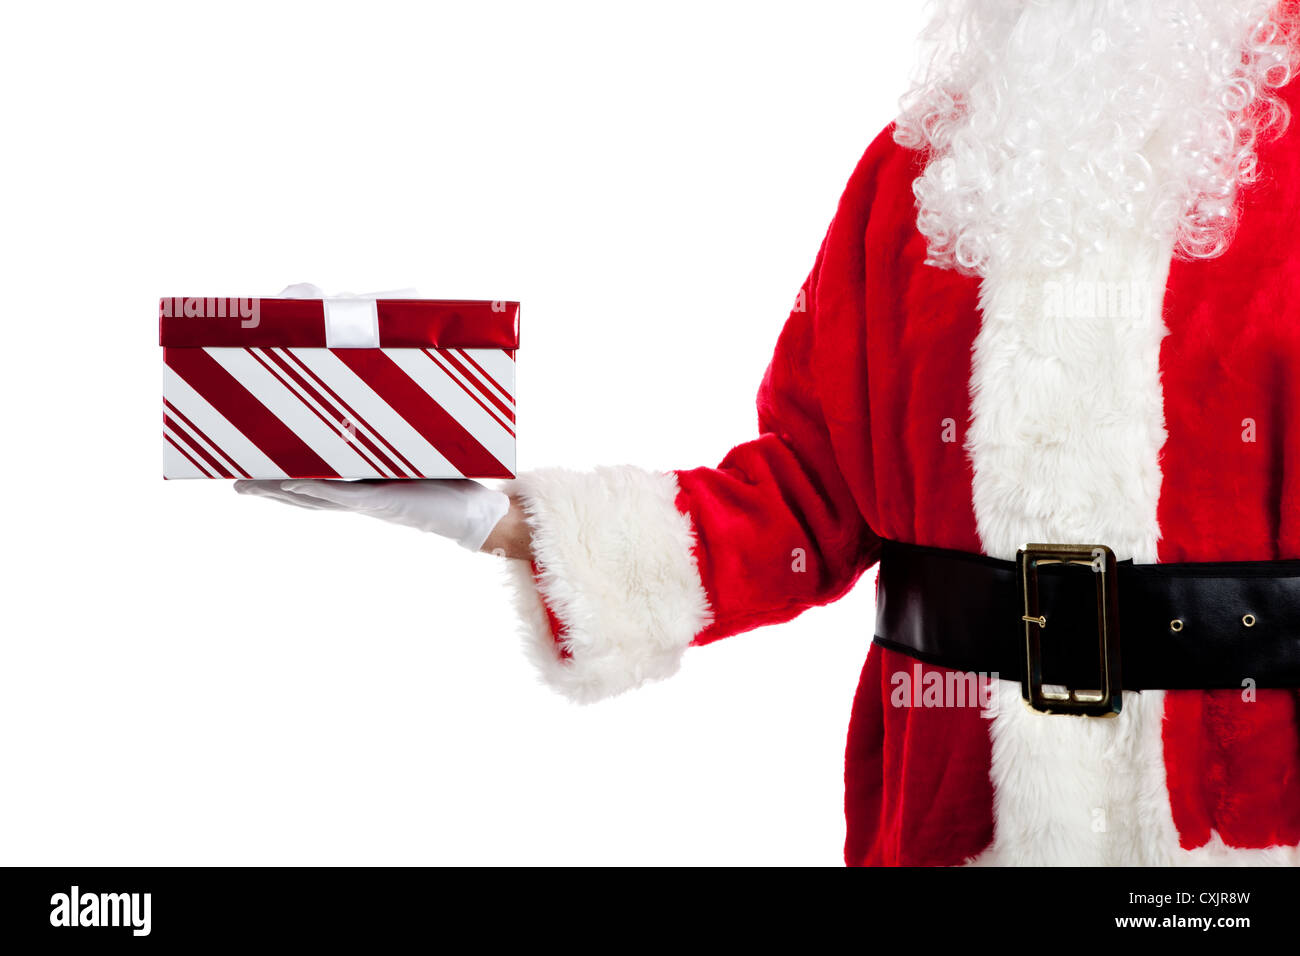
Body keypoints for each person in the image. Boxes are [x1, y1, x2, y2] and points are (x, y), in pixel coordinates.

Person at [237, 0, 1300, 865]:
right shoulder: (918, 173)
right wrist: (496, 517)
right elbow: (802, 499)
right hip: (949, 831)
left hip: (1244, 832)